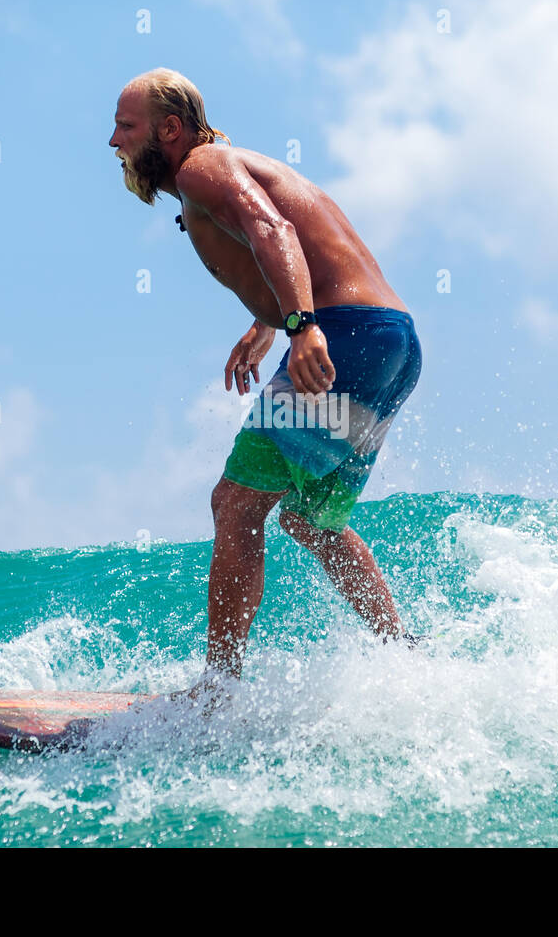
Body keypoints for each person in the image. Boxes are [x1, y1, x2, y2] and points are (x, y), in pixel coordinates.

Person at [110, 68, 423, 687]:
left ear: (169, 130)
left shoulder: (203, 166)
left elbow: (272, 230)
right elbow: (296, 242)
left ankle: (217, 691)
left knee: (234, 503)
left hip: (344, 334)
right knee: (311, 521)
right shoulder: (227, 167)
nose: (114, 142)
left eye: (127, 127)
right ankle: (409, 657)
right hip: (392, 344)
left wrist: (302, 325)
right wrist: (267, 324)